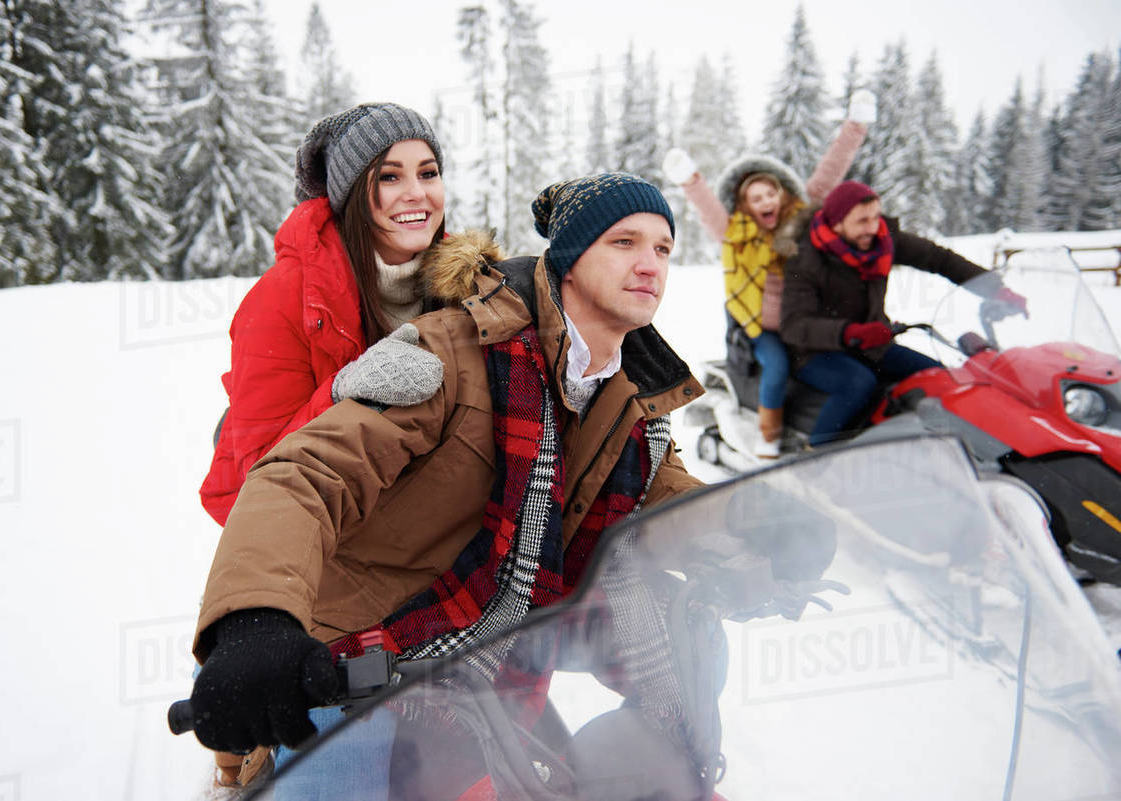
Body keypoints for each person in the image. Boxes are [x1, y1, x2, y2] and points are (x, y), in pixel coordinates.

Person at [184, 173, 706, 796]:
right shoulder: (449, 351)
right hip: (364, 634)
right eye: (624, 242)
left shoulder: (633, 395)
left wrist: (762, 530)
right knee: (336, 779)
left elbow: (674, 500)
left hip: (505, 619)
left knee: (689, 633)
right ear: (568, 259)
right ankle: (249, 768)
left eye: (663, 248)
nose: (650, 264)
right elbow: (306, 474)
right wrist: (256, 621)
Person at [195, 101, 500, 792]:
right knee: (340, 765)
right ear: (351, 196)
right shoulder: (284, 297)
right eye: (388, 177)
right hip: (325, 549)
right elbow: (257, 473)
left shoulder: (471, 292)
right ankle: (251, 747)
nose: (416, 193)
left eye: (428, 172)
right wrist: (343, 389)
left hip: (429, 551)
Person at [660, 89, 876, 458]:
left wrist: (855, 126)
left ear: (782, 195)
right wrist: (690, 179)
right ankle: (768, 437)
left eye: (770, 194)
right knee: (776, 367)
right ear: (746, 206)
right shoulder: (736, 235)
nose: (766, 202)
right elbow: (708, 208)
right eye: (756, 198)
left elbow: (829, 174)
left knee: (853, 363)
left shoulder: (800, 221)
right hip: (760, 329)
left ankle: (847, 430)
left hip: (803, 324)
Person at [779, 180, 1027, 446]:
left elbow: (938, 258)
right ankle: (817, 453)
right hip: (818, 352)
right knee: (857, 384)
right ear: (837, 224)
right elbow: (794, 325)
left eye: (875, 217)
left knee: (939, 378)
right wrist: (849, 332)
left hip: (873, 344)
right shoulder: (805, 259)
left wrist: (994, 288)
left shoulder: (883, 242)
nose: (872, 227)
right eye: (862, 221)